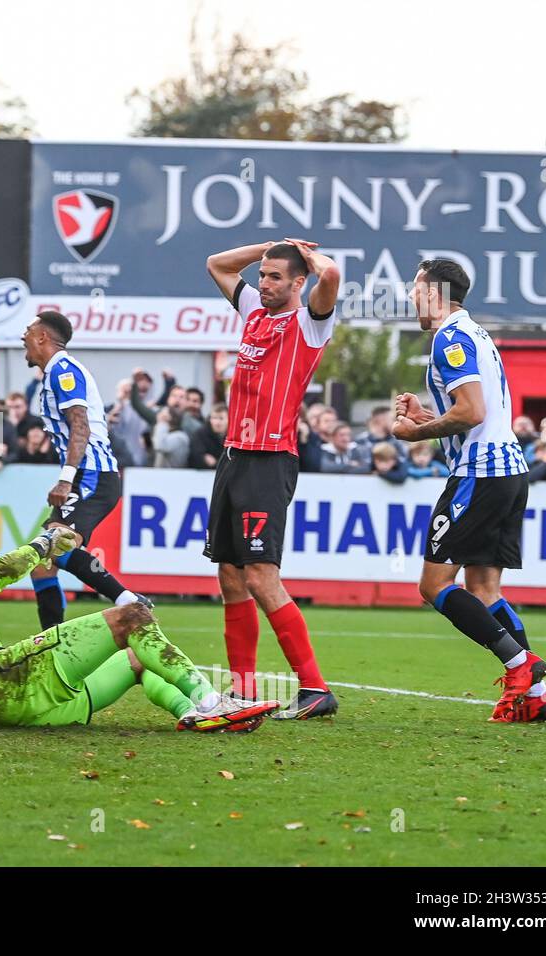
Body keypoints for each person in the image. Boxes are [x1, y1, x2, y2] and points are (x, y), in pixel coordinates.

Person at [0, 523, 279, 731]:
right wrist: (45, 543)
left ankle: (191, 713)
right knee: (131, 617)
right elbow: (1, 571)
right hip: (1, 686)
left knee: (138, 658)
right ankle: (212, 703)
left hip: (1, 709)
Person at [392, 257, 546, 723]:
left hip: (480, 473)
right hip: (509, 470)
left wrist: (415, 433)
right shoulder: (475, 332)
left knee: (434, 585)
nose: (411, 296)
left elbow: (472, 412)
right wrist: (428, 416)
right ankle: (536, 695)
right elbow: (475, 415)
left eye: (415, 288)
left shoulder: (450, 338)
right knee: (483, 588)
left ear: (434, 293)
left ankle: (521, 665)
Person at [204, 238, 341, 719]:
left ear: (298, 282)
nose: (263, 283)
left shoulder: (309, 323)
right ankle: (243, 691)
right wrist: (269, 248)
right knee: (230, 576)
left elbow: (331, 276)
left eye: (275, 277)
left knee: (261, 577)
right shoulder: (254, 312)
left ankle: (315, 688)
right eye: (262, 275)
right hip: (233, 458)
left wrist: (307, 255)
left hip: (269, 460)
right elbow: (217, 263)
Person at [22, 311, 146, 630]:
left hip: (92, 474)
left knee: (57, 545)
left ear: (42, 337)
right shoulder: (54, 372)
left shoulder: (64, 369)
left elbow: (80, 424)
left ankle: (129, 601)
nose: (23, 336)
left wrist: (66, 479)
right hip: (86, 473)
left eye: (29, 330)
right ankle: (52, 642)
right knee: (43, 564)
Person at [188, 403, 228, 469]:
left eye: (221, 418)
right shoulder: (200, 434)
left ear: (229, 419)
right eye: (214, 418)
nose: (217, 422)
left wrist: (215, 462)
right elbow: (196, 457)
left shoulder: (233, 437)